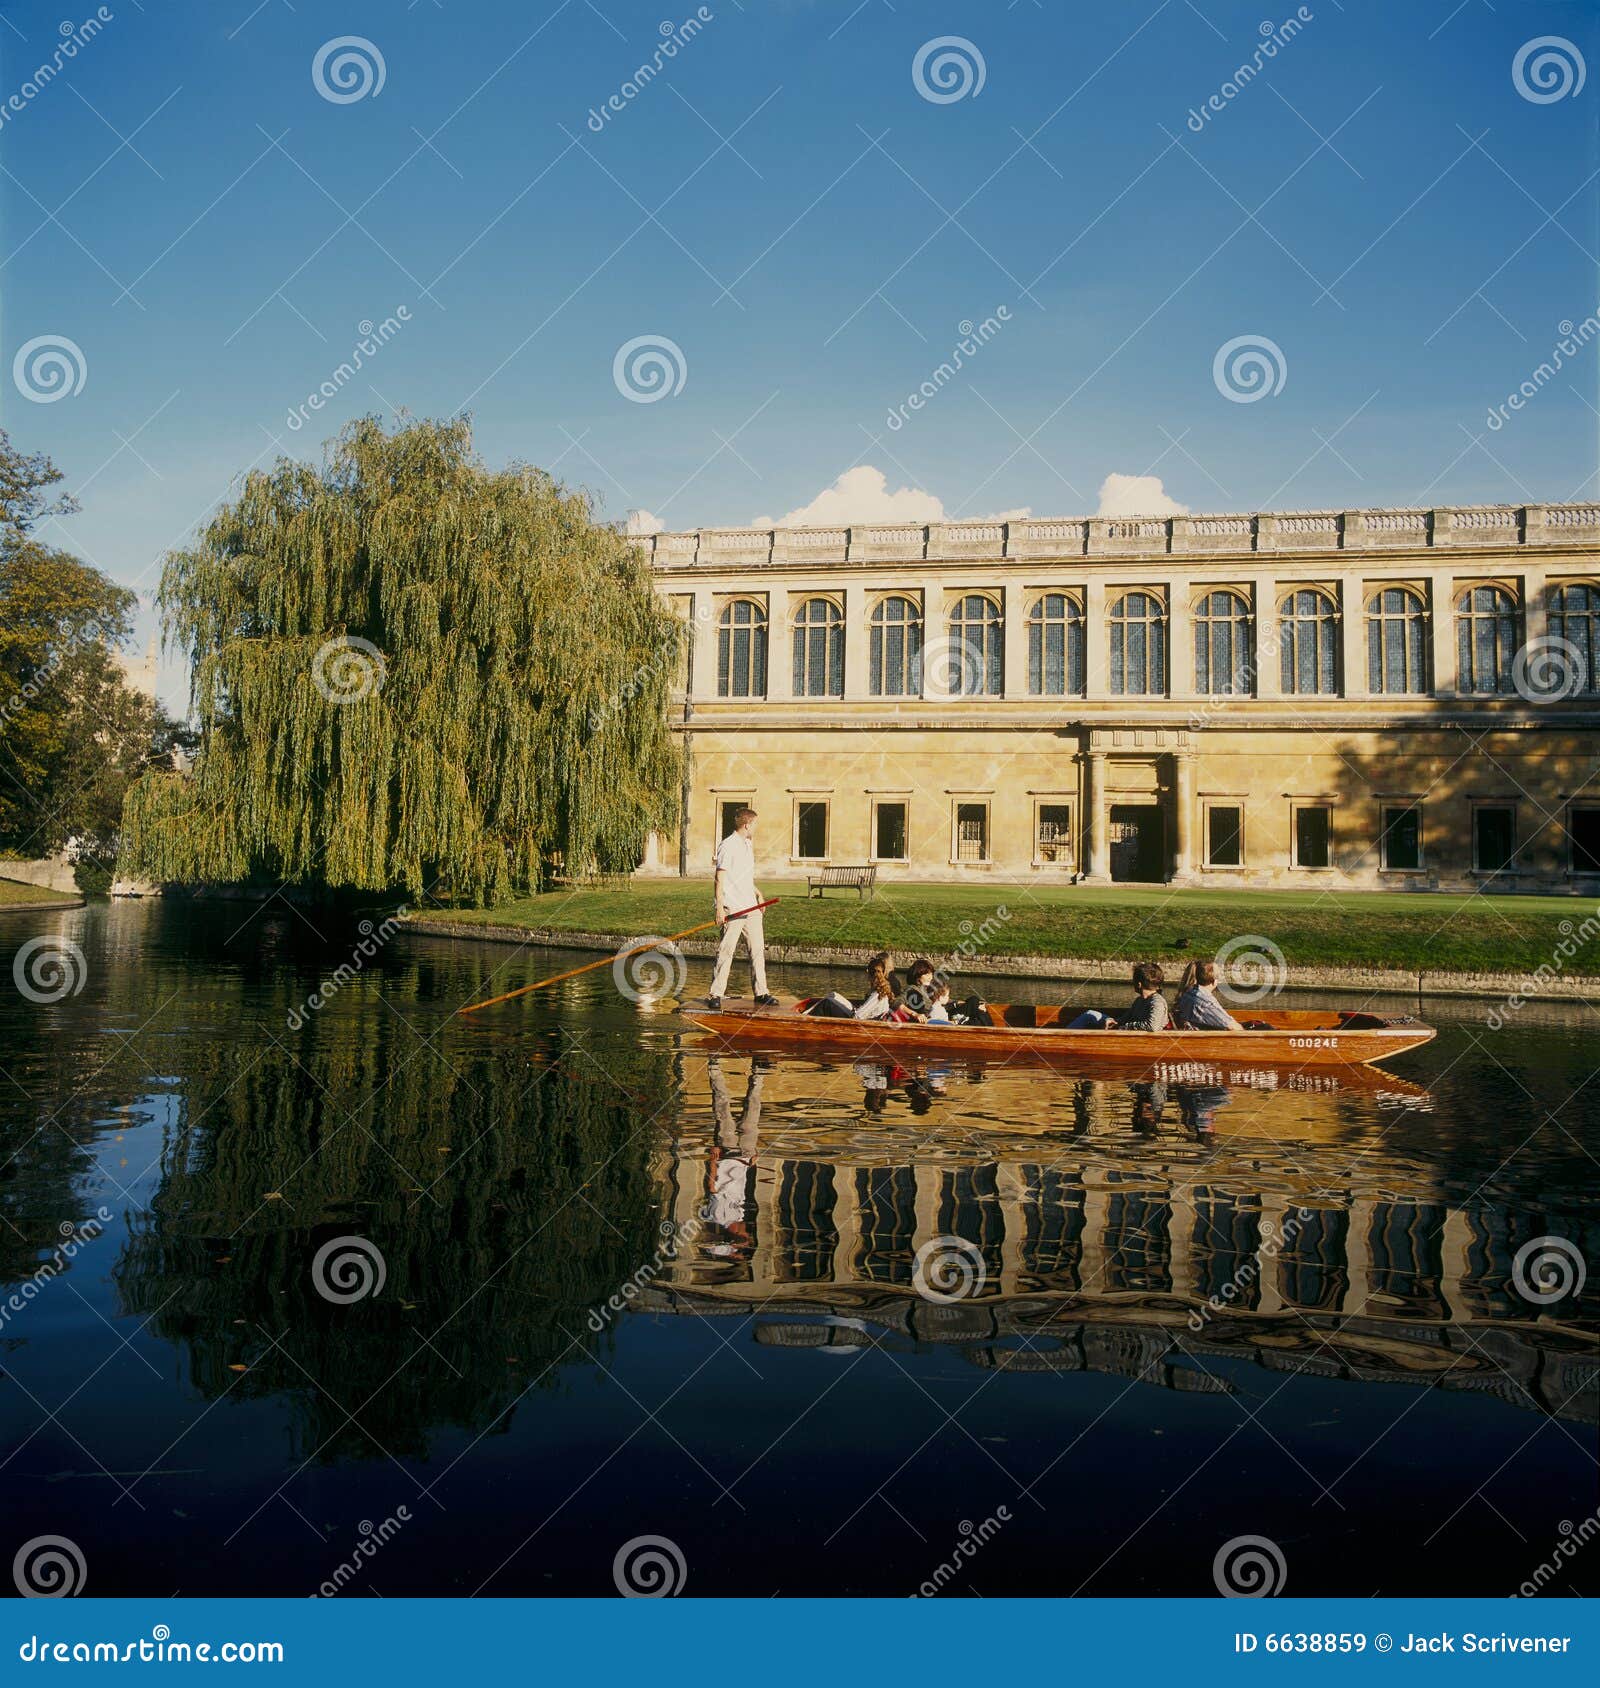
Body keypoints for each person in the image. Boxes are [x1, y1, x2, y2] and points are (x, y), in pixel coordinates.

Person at [707, 808, 779, 1010]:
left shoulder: (748, 844)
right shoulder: (727, 845)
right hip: (733, 908)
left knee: (757, 951)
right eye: (755, 824)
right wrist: (719, 908)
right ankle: (715, 994)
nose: (756, 828)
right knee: (726, 951)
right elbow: (719, 879)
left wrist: (757, 892)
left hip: (751, 907)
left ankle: (761, 992)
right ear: (747, 825)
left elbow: (743, 876)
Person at [1067, 962, 1170, 1031]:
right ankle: (1065, 1034)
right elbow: (1126, 1018)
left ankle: (1062, 1037)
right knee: (1090, 1014)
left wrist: (1124, 1027)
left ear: (1139, 984)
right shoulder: (1139, 1000)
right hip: (1128, 1031)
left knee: (1089, 1015)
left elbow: (1152, 1026)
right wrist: (1114, 1022)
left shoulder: (1157, 1002)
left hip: (1137, 1037)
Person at [1174, 960, 1244, 1031]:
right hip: (1200, 1037)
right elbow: (1233, 1027)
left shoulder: (1188, 993)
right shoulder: (1204, 1001)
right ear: (1214, 981)